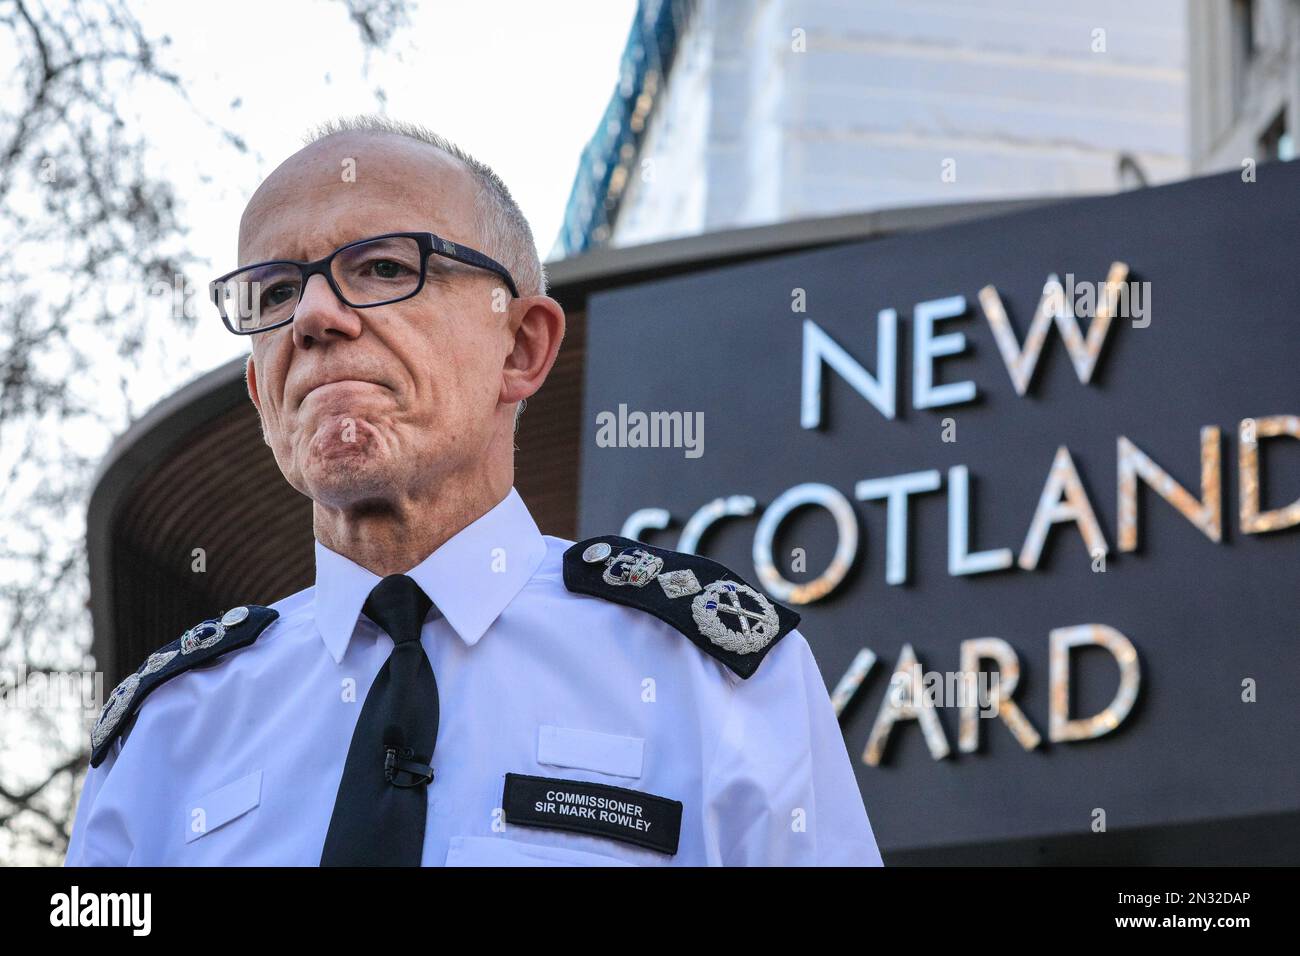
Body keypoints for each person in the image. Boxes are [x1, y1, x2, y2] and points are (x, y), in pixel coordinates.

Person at [65, 116, 883, 867]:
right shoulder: (165, 737)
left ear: (522, 347)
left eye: (383, 265)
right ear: (260, 392)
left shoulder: (712, 681)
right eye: (275, 292)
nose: (313, 317)